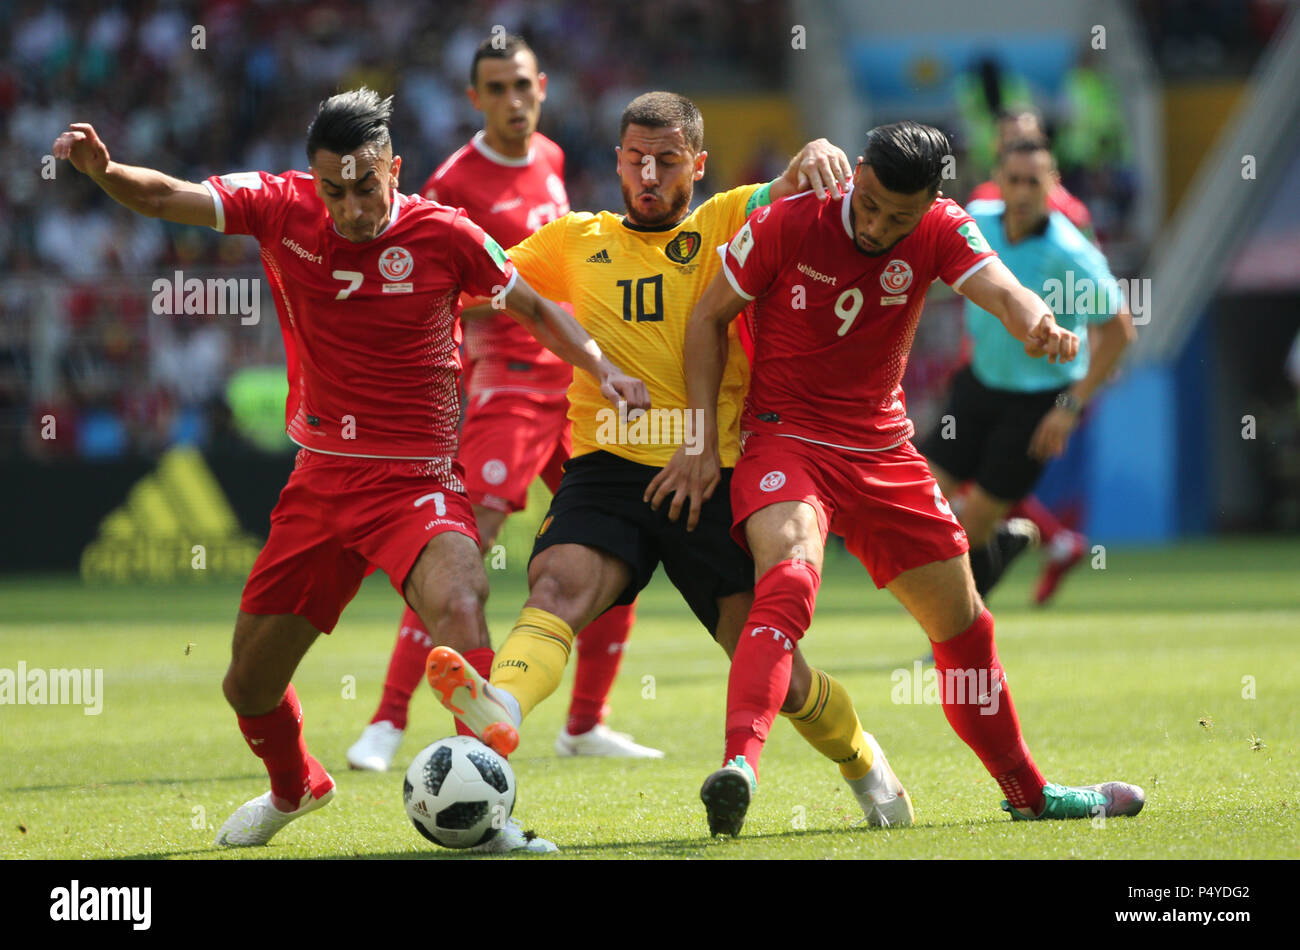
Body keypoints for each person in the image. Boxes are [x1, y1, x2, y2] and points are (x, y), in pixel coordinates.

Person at [51, 88, 648, 853]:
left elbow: (534, 307)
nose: (352, 207)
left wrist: (604, 368)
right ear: (313, 180)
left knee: (462, 605)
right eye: (334, 190)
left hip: (418, 479)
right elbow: (169, 195)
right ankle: (296, 786)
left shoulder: (445, 234)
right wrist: (105, 173)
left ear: (395, 169)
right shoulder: (277, 206)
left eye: (367, 187)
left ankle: (491, 822)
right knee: (248, 686)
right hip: (322, 479)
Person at [424, 92, 916, 836]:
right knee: (556, 586)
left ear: (698, 164)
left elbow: (792, 181)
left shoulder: (729, 220)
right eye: (634, 159)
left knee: (771, 664)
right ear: (617, 160)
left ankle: (860, 760)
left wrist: (815, 149)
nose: (648, 174)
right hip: (609, 468)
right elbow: (478, 280)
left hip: (711, 468)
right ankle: (504, 707)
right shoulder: (571, 239)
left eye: (666, 160)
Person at [655, 120, 1144, 836]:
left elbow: (1006, 292)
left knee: (965, 626)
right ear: (856, 172)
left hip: (882, 451)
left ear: (931, 205)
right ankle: (739, 767)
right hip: (786, 437)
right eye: (872, 203)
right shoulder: (789, 221)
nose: (880, 226)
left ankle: (1030, 796)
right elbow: (708, 319)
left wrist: (1038, 320)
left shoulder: (942, 228)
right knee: (788, 582)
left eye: (899, 217)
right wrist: (699, 440)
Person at [346, 35, 660, 773]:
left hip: (575, 391)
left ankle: (585, 723)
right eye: (496, 89)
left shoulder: (550, 158)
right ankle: (387, 721)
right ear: (474, 99)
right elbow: (440, 287)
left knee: (619, 543)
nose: (513, 101)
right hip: (511, 390)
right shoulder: (457, 181)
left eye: (522, 85)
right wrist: (529, 306)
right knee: (459, 549)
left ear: (541, 86)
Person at [920, 137, 1137, 600]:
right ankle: (1002, 546)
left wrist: (1069, 407)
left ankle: (956, 632)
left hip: (1038, 404)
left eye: (1032, 182)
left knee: (969, 523)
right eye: (1013, 180)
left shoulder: (1071, 255)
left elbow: (1120, 331)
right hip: (978, 385)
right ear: (997, 181)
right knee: (918, 506)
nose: (1021, 192)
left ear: (1051, 186)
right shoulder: (977, 224)